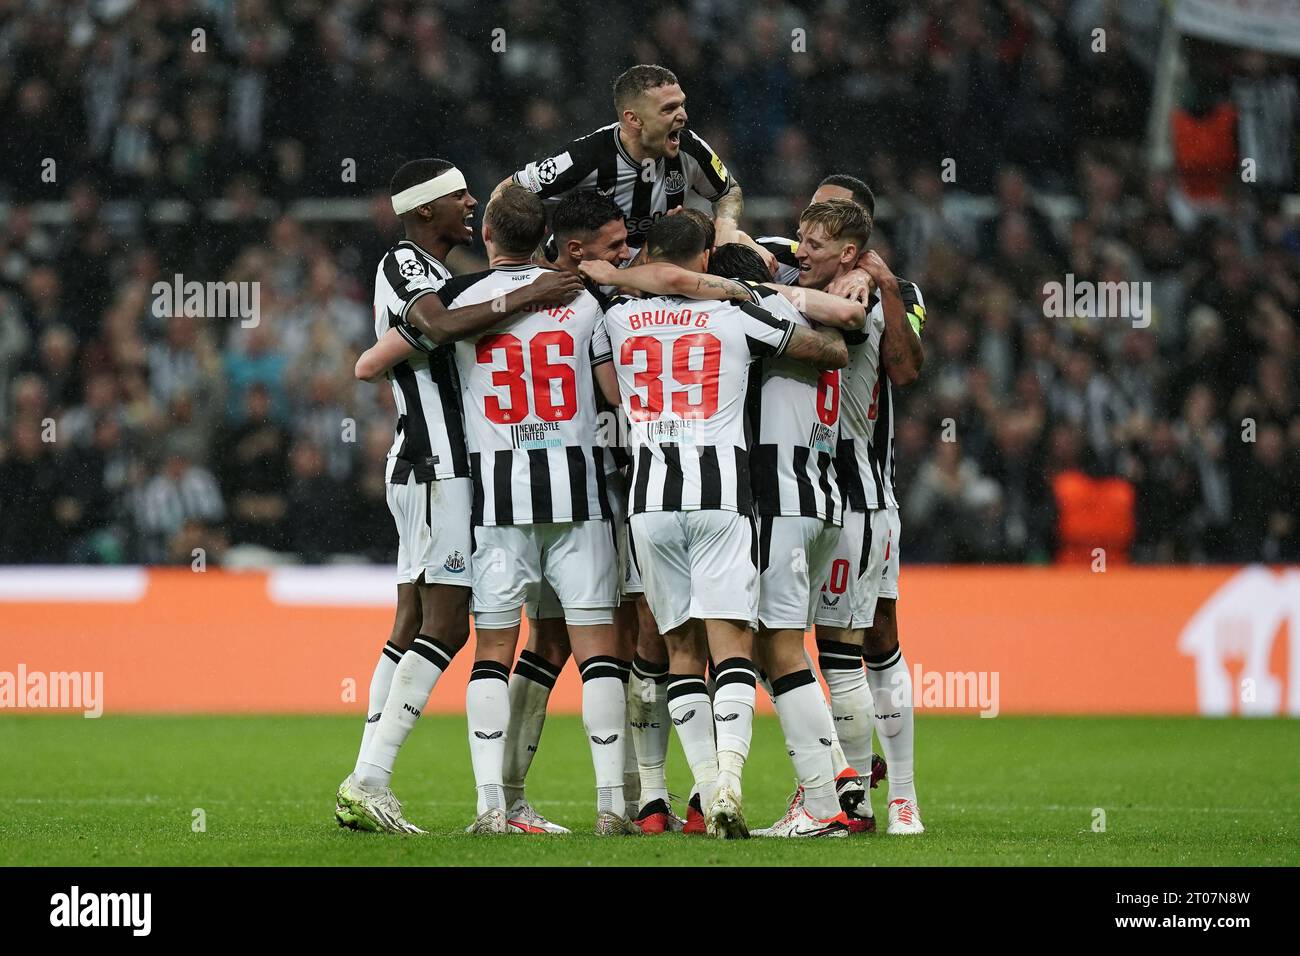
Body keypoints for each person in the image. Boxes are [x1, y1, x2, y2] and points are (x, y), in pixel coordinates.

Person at [336, 159, 582, 835]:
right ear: (423, 211)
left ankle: (365, 783)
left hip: (430, 468)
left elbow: (389, 351)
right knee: (445, 626)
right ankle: (369, 780)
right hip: (437, 467)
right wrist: (525, 297)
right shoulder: (407, 267)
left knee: (411, 625)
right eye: (457, 197)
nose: (471, 203)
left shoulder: (440, 275)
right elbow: (438, 327)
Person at [597, 214, 848, 838]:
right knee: (732, 642)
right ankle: (730, 786)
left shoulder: (617, 318)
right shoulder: (741, 314)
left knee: (678, 648)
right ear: (705, 259)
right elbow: (827, 349)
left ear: (649, 256)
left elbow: (609, 387)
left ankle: (705, 791)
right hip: (721, 496)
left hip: (649, 499)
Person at [439, 185, 630, 835]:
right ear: (542, 234)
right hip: (579, 497)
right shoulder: (583, 298)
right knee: (597, 650)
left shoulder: (460, 300)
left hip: (498, 499)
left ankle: (493, 806)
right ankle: (612, 806)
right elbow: (613, 392)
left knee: (493, 651)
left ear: (487, 234)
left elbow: (419, 337)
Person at [788, 197, 929, 835]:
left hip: (857, 496)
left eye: (819, 231)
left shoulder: (890, 293)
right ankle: (843, 786)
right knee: (789, 642)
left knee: (866, 641)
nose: (801, 243)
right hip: (801, 496)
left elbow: (905, 368)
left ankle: (887, 797)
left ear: (853, 242)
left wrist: (885, 282)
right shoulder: (791, 279)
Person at [501, 63, 774, 270]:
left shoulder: (689, 147)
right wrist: (530, 262)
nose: (683, 116)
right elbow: (506, 193)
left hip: (652, 273)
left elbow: (728, 191)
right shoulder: (586, 156)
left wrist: (726, 226)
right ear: (633, 119)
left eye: (682, 105)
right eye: (669, 109)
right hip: (583, 278)